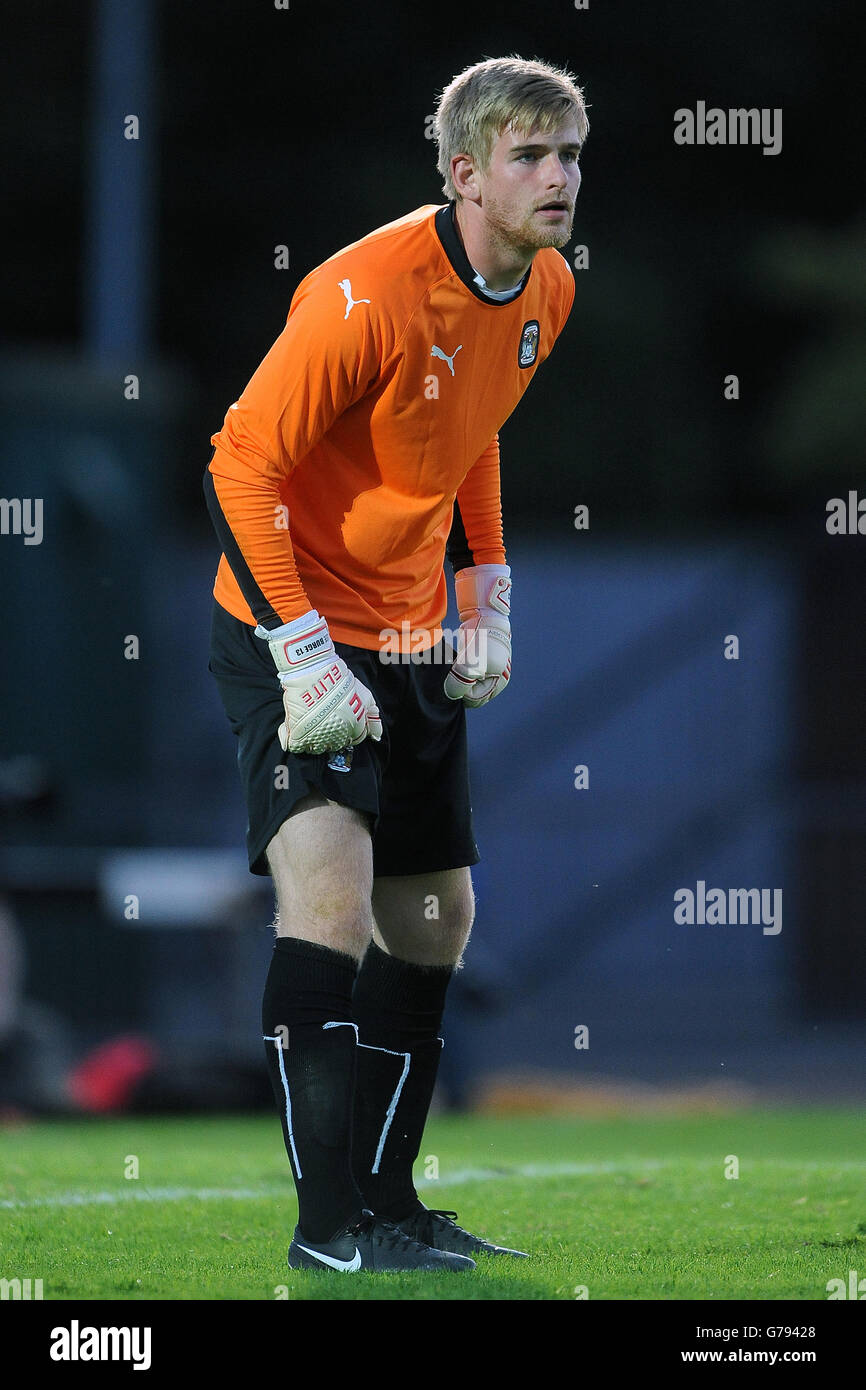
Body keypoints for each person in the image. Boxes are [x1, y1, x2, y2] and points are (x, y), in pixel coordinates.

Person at [205, 54, 588, 1273]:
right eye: (529, 155)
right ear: (464, 171)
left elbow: (467, 436)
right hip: (292, 627)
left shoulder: (548, 291)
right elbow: (238, 463)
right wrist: (300, 647)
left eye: (569, 154)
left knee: (432, 919)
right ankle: (328, 1233)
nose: (558, 177)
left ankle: (391, 1204)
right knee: (329, 901)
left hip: (410, 635)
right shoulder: (366, 291)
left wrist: (487, 594)